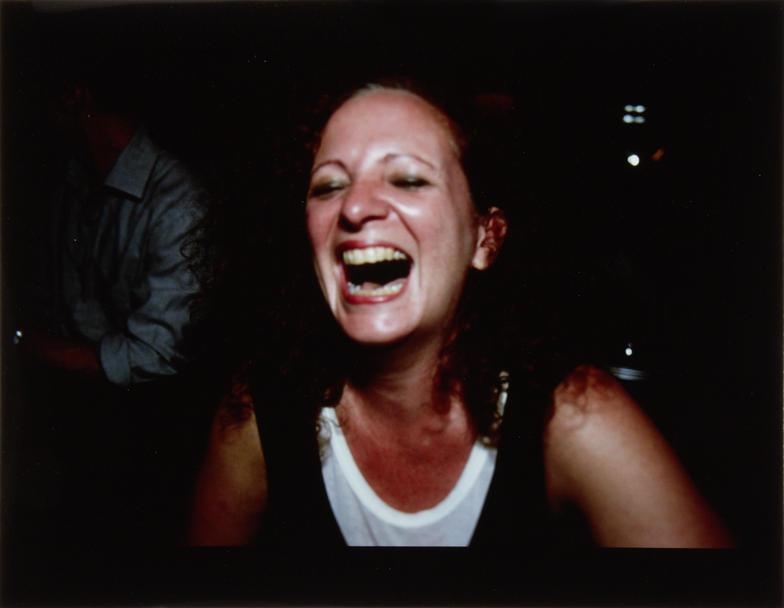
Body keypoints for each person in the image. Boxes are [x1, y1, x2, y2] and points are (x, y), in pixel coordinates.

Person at [187, 82, 731, 548]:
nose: (354, 208)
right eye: (329, 185)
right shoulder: (257, 417)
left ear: (484, 238)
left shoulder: (567, 414)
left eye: (408, 179)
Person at [16, 70, 206, 546]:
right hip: (79, 418)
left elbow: (154, 356)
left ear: (74, 94)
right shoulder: (75, 179)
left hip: (148, 435)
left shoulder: (177, 201)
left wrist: (21, 343)